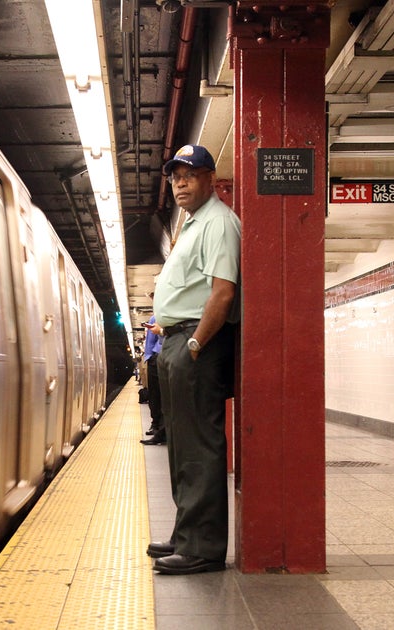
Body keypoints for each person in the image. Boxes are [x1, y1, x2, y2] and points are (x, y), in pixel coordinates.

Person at [145, 144, 240, 575]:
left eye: (190, 174)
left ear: (211, 179)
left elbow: (222, 292)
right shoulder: (194, 224)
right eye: (175, 176)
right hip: (177, 342)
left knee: (199, 447)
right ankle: (186, 534)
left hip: (196, 345)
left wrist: (196, 344)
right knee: (181, 447)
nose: (180, 182)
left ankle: (202, 547)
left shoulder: (219, 223)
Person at [139, 314, 166, 445]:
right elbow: (150, 340)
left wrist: (149, 356)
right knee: (157, 395)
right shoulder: (155, 317)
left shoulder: (157, 317)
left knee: (159, 395)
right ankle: (157, 427)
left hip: (160, 357)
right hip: (158, 357)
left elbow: (150, 340)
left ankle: (160, 429)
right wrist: (149, 357)